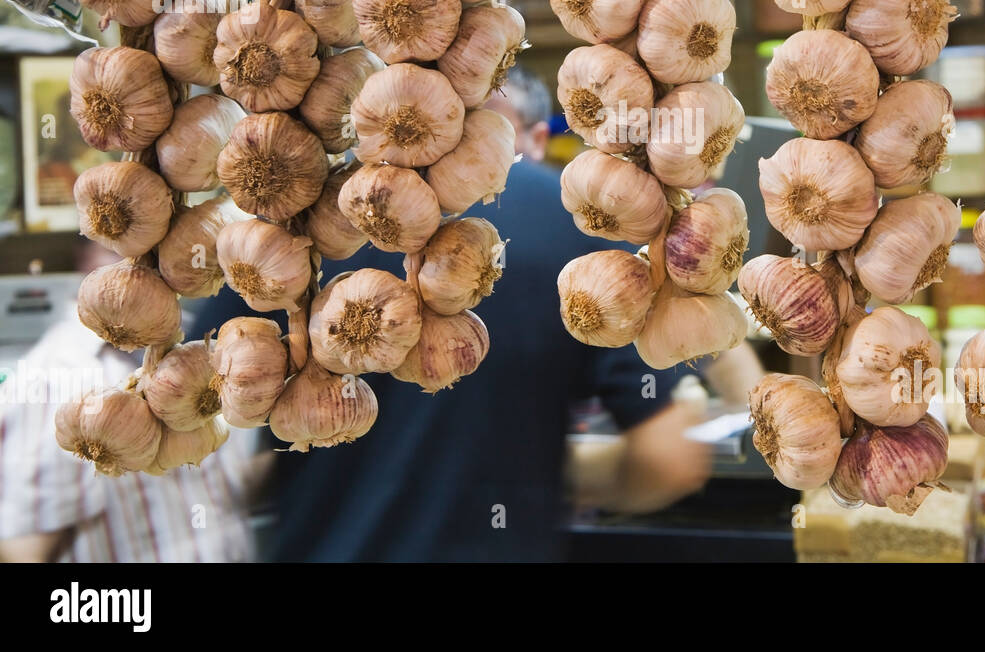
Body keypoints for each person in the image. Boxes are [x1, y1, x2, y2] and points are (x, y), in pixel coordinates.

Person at [189, 67, 710, 561]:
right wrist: (545, 480)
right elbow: (670, 461)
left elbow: (201, 425)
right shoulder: (574, 228)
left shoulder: (293, 220)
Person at [0, 243, 259, 563]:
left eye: (156, 255)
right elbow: (24, 552)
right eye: (121, 255)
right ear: (88, 263)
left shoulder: (199, 345)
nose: (143, 269)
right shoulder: (52, 378)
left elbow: (237, 480)